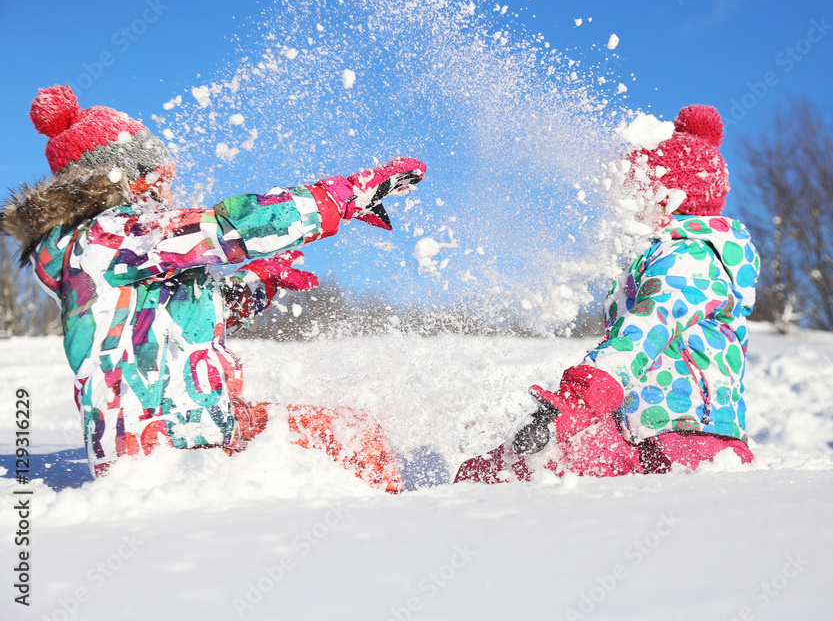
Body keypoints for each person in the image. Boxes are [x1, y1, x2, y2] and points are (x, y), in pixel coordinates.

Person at [1, 85, 426, 492]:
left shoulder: (117, 249)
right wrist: (345, 196)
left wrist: (261, 281)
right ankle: (400, 527)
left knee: (351, 432)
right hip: (165, 448)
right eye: (160, 180)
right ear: (128, 182)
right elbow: (230, 225)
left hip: (194, 426)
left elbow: (181, 317)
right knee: (352, 440)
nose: (170, 192)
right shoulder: (110, 237)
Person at [454, 104, 760, 483]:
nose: (623, 200)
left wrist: (577, 403)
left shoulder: (690, 259)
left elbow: (647, 330)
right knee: (508, 467)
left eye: (634, 187)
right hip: (640, 435)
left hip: (691, 440)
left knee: (515, 471)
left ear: (668, 196)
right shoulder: (657, 255)